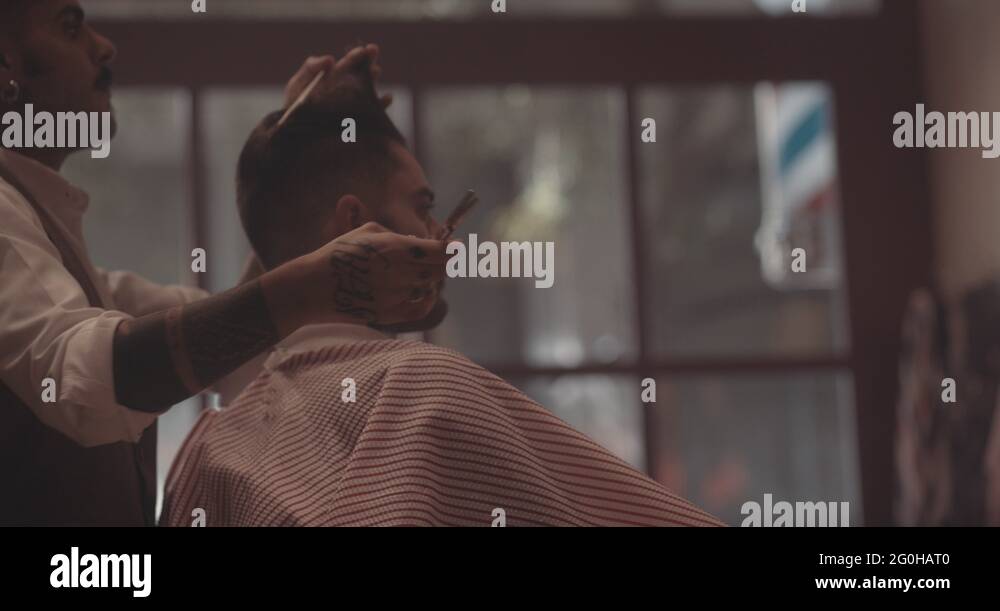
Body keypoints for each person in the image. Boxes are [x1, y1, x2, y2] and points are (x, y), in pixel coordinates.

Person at [159, 72, 723, 527]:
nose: (443, 240)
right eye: (423, 208)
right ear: (353, 224)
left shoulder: (206, 452)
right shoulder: (424, 389)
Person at [0, 0, 445, 525]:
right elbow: (83, 374)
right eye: (70, 28)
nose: (104, 45)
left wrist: (286, 170)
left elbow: (218, 337)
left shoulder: (61, 255)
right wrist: (310, 286)